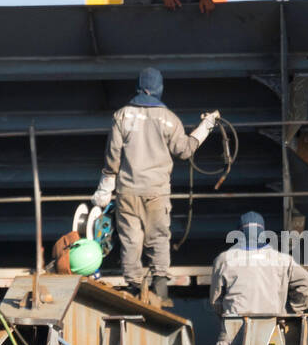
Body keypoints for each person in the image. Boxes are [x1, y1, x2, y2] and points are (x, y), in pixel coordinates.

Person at [91, 67, 220, 304]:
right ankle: (160, 292)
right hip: (157, 193)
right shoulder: (169, 119)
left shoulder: (122, 116)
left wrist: (105, 187)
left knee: (131, 239)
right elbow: (185, 150)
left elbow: (113, 156)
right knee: (159, 238)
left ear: (140, 87)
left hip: (127, 191)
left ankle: (132, 290)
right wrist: (207, 127)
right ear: (160, 89)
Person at [205, 212, 308, 345]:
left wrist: (226, 317)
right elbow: (306, 284)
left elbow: (215, 301)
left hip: (233, 331)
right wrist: (293, 311)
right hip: (272, 333)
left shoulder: (225, 259)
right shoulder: (282, 260)